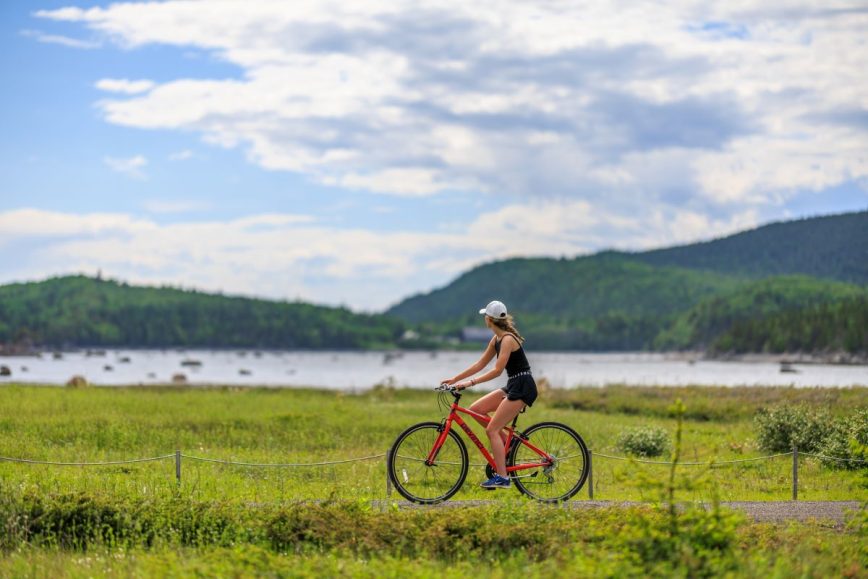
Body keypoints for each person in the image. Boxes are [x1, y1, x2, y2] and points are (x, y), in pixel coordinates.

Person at [441, 300, 538, 489]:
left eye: (485, 316)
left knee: (492, 429)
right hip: (513, 384)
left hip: (523, 386)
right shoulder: (496, 339)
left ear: (489, 319)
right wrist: (454, 379)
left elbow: (496, 370)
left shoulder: (508, 339)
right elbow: (480, 364)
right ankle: (506, 445)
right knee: (476, 409)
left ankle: (503, 478)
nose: (484, 319)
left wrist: (470, 383)